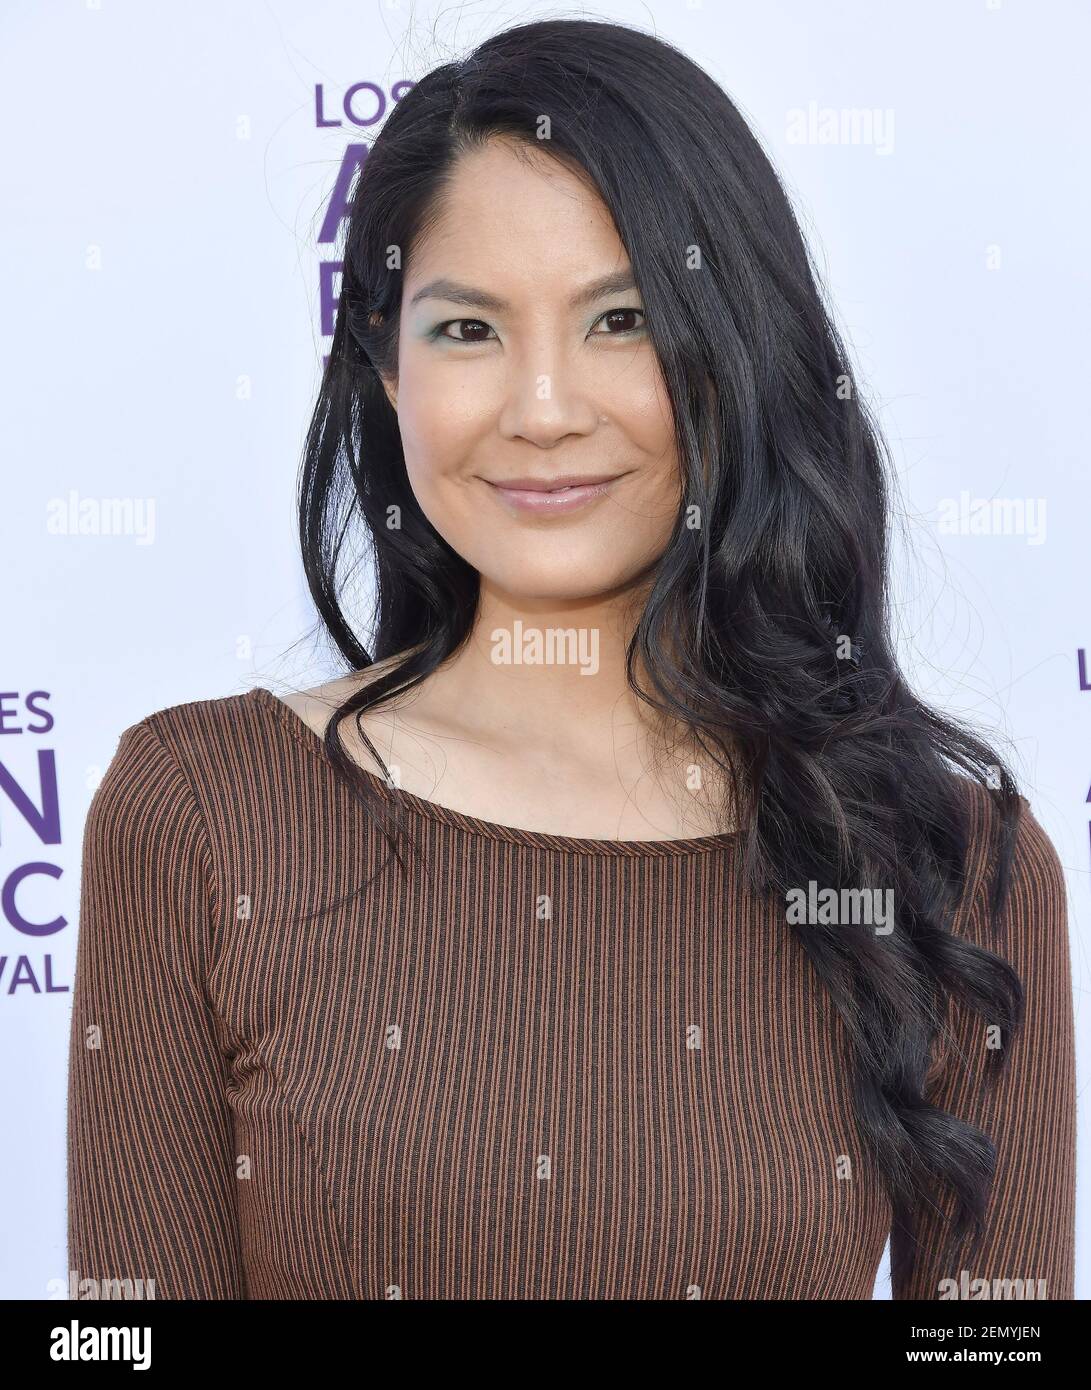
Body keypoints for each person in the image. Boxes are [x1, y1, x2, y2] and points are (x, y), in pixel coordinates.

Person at [66, 16, 1075, 1300]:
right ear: (384, 367)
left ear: (735, 351)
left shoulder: (949, 865)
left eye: (621, 319)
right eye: (466, 331)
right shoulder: (200, 810)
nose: (542, 409)